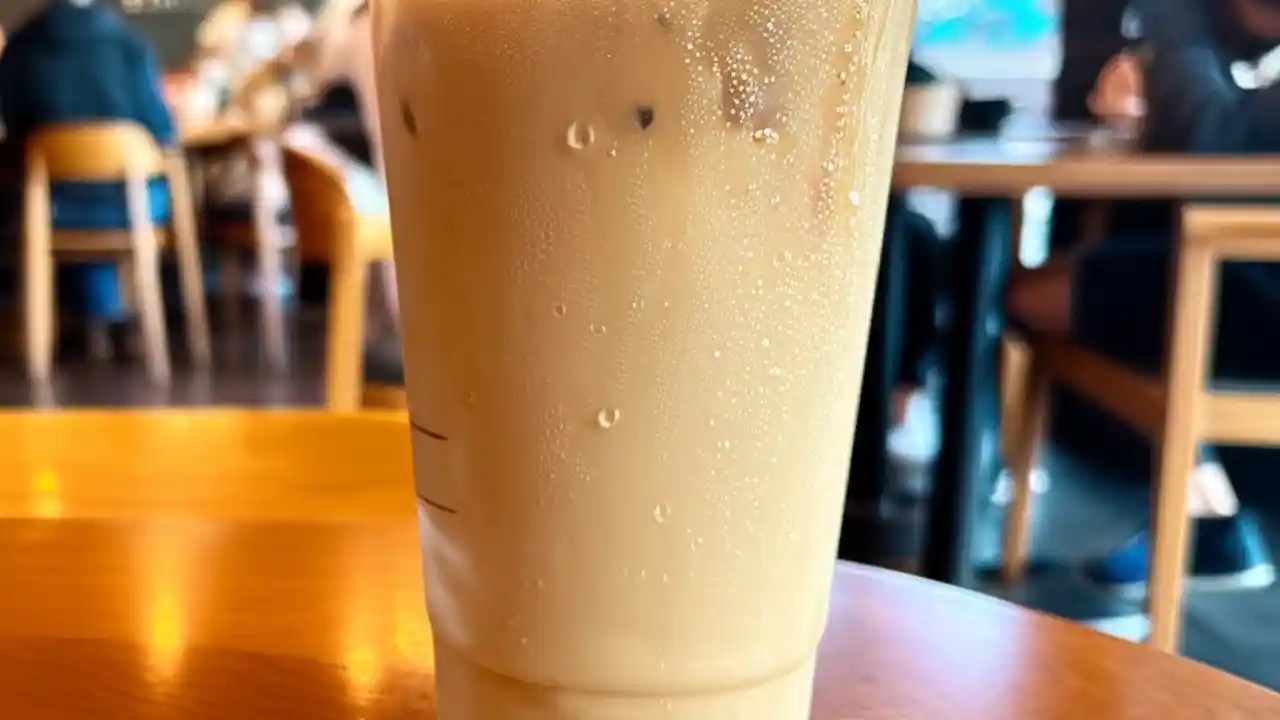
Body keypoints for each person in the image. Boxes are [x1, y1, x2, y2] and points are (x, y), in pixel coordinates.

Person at [1007, 0, 1280, 597]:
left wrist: (1169, 17)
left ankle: (1207, 512)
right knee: (1071, 275)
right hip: (1240, 263)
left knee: (1030, 295)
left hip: (1257, 282)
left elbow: (1208, 139)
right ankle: (1207, 511)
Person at [0, 0, 176, 344]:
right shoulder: (129, 43)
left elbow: (13, 128)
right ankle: (112, 315)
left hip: (47, 207)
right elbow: (162, 129)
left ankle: (91, 314)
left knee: (46, 190)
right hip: (128, 208)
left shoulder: (20, 48)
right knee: (145, 185)